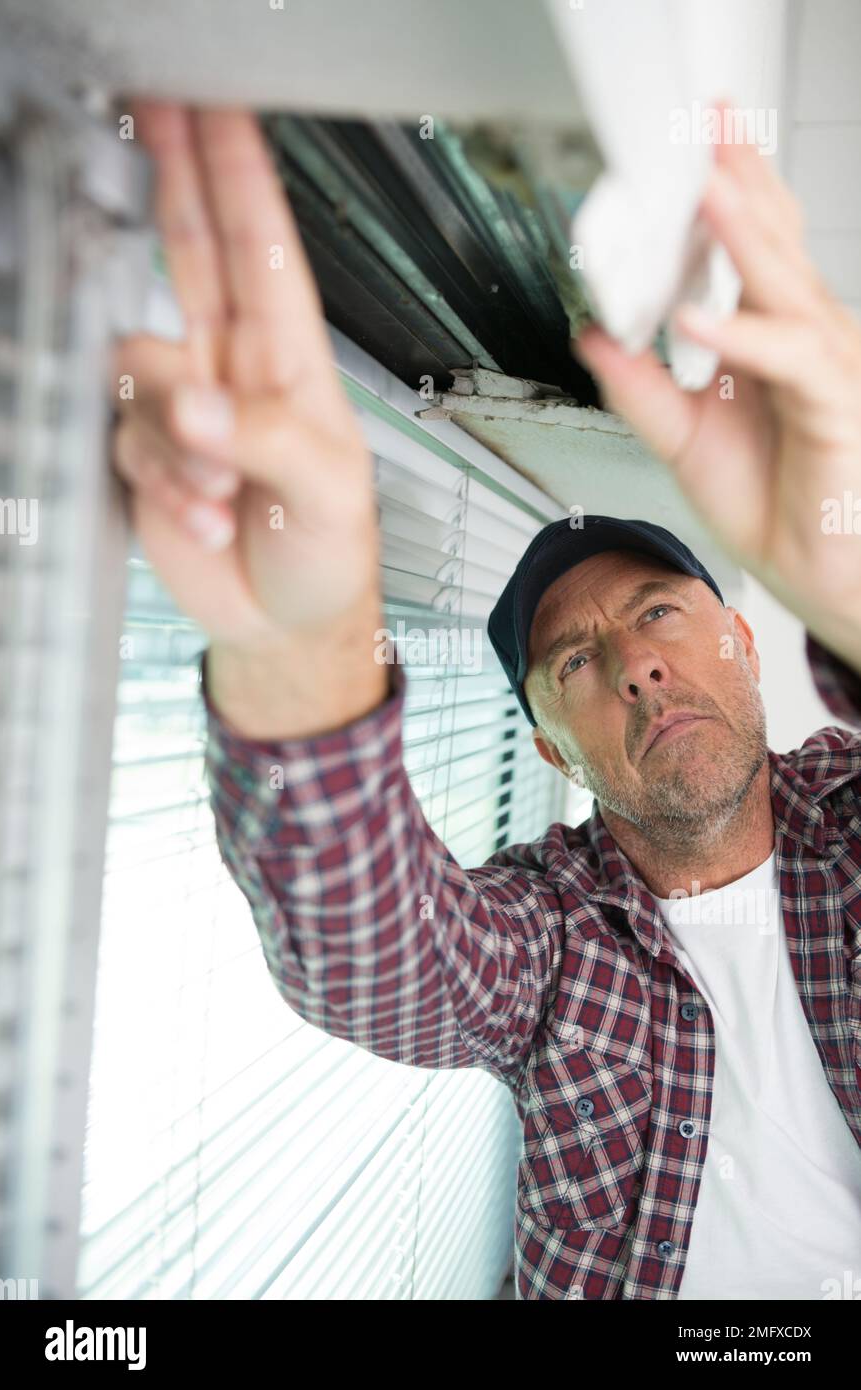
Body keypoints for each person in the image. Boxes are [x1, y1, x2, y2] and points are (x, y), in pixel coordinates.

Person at [110, 102, 861, 1299]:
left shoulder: (848, 816)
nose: (633, 665)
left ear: (738, 639)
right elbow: (381, 961)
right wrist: (304, 655)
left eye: (660, 613)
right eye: (575, 662)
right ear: (546, 744)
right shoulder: (552, 937)